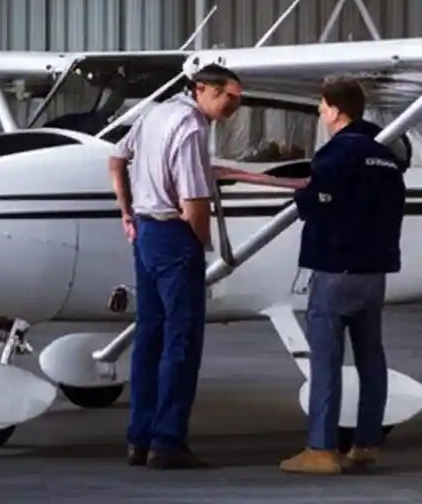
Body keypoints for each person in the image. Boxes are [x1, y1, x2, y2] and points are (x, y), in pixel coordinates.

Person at [224, 78, 406, 474]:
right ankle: (366, 444)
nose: (321, 113)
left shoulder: (333, 155)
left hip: (335, 269)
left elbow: (318, 204)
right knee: (370, 358)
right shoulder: (386, 156)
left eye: (322, 107)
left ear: (336, 111)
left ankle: (321, 449)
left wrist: (303, 195)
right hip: (374, 271)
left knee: (325, 360)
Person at [108, 64, 243, 469]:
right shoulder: (191, 127)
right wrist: (201, 243)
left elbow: (116, 158)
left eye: (238, 99)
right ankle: (167, 442)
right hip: (174, 237)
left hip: (146, 232)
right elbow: (194, 204)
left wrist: (126, 212)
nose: (233, 105)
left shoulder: (154, 113)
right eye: (228, 97)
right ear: (202, 89)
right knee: (181, 341)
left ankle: (139, 438)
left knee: (149, 335)